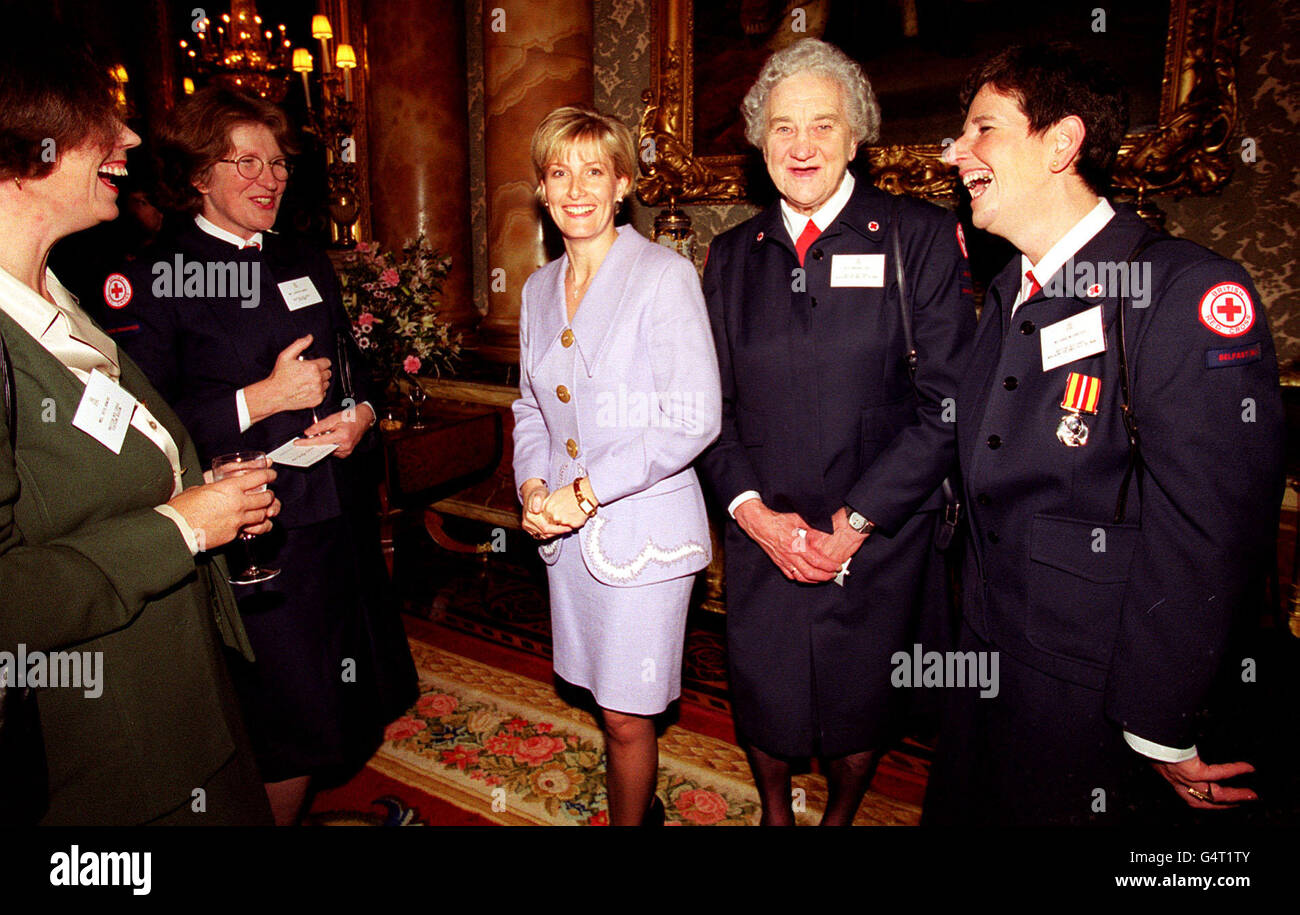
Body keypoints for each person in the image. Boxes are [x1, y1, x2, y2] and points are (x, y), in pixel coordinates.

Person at [925, 43, 1285, 825]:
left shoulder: (1182, 291)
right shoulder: (1007, 289)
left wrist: (1160, 727)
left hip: (1093, 705)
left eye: (982, 130)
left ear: (1062, 143)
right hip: (986, 673)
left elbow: (1209, 531)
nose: (956, 153)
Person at [110, 86, 417, 826]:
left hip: (336, 522)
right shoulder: (156, 275)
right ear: (198, 177)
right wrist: (261, 398)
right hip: (257, 542)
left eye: (276, 162)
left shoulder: (301, 256)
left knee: (344, 699)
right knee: (288, 723)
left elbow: (353, 370)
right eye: (244, 161)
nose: (269, 178)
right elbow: (140, 429)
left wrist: (362, 415)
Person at [0, 28, 276, 825]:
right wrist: (179, 525)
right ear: (28, 151)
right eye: (102, 122)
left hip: (186, 704)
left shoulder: (57, 293)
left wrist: (199, 488)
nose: (127, 139)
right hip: (106, 758)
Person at [697, 37, 976, 825]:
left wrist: (853, 524)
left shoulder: (917, 237)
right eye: (783, 127)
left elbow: (946, 405)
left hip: (881, 532)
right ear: (759, 141)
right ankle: (777, 814)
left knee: (863, 701)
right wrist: (753, 514)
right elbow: (705, 410)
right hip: (765, 532)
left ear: (857, 136)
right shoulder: (729, 257)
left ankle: (840, 816)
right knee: (766, 691)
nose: (802, 145)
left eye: (824, 125)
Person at [512, 105, 722, 826]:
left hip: (644, 538)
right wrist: (534, 485)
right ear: (541, 188)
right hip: (567, 540)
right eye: (558, 171)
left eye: (594, 170)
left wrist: (582, 490)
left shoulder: (663, 276)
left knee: (628, 715)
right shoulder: (538, 288)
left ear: (623, 183)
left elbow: (694, 416)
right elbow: (532, 408)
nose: (576, 187)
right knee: (604, 704)